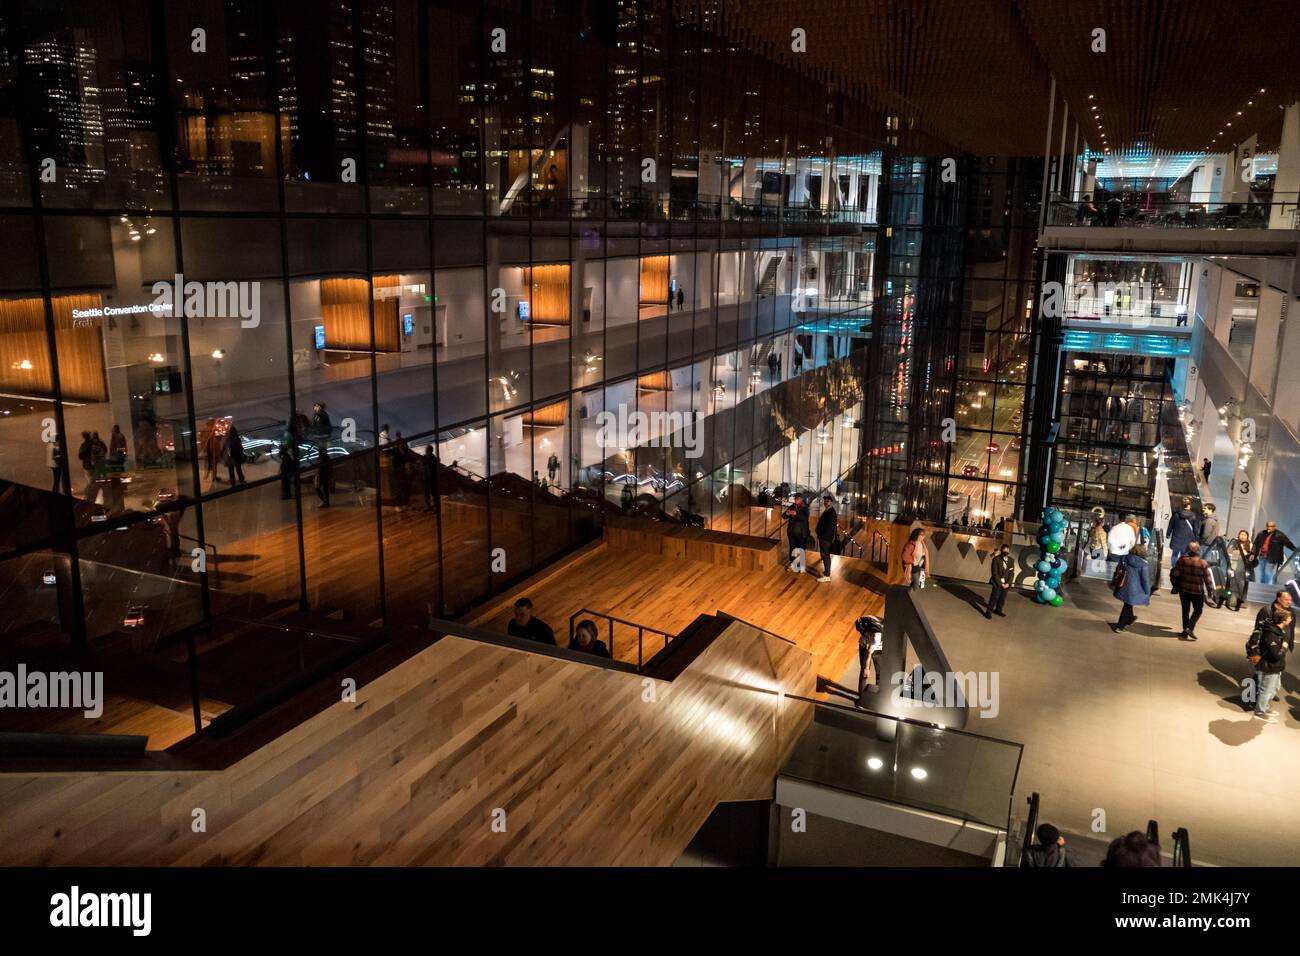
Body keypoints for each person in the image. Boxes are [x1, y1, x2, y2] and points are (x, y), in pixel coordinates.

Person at [1248, 605, 1290, 723]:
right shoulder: (1271, 634)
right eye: (1289, 617)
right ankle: (1260, 712)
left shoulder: (1278, 631)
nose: (1291, 619)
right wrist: (1284, 648)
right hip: (1269, 666)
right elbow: (1275, 655)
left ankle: (1264, 707)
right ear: (1284, 620)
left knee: (1273, 688)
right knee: (1266, 690)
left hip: (1275, 667)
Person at [1170, 541, 1214, 641]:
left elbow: (1176, 574)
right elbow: (1207, 578)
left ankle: (1185, 632)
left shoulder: (1182, 560)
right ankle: (1189, 628)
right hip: (1197, 591)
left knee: (1185, 610)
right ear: (1198, 551)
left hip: (1184, 590)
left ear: (1188, 550)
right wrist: (1210, 590)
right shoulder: (1203, 563)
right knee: (1198, 610)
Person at [1110, 542, 1151, 632]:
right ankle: (1119, 626)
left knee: (1128, 604)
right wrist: (1148, 593)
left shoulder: (1124, 558)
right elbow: (1145, 580)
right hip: (1135, 590)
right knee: (1127, 606)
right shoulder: (1143, 564)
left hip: (1123, 585)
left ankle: (1131, 618)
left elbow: (1118, 570)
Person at [1252, 520, 1297, 586]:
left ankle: (1266, 587)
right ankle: (1262, 585)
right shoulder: (1261, 533)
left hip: (1273, 558)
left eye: (1271, 526)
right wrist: (1253, 554)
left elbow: (1288, 543)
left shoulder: (1280, 535)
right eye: (1268, 526)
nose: (1269, 527)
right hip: (1262, 556)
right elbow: (1255, 544)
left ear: (1274, 527)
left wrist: (1294, 549)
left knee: (1268, 572)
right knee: (1262, 573)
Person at [1166, 497, 1200, 576]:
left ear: (1183, 505)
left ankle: (1174, 568)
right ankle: (1182, 570)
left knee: (1174, 554)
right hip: (1187, 539)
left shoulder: (1176, 514)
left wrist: (1168, 534)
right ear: (1189, 505)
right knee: (1184, 555)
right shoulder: (1193, 516)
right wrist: (1195, 538)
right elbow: (1195, 529)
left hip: (1176, 538)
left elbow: (1171, 525)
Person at [1227, 529, 1255, 612]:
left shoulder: (1250, 545)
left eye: (1245, 535)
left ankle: (1241, 602)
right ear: (1238, 535)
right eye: (1241, 534)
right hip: (1234, 566)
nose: (1243, 536)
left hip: (1244, 568)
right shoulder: (1234, 542)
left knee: (1242, 585)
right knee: (1233, 584)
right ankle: (1231, 601)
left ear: (1247, 536)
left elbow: (1252, 557)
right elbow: (1228, 551)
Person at [855, 615, 883, 696]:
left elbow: (869, 652)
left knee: (879, 672)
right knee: (864, 672)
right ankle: (861, 696)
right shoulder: (867, 619)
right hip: (864, 646)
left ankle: (878, 696)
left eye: (866, 633)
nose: (864, 635)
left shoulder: (876, 637)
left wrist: (867, 668)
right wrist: (866, 668)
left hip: (876, 649)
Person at [985, 543, 1014, 619]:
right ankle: (988, 612)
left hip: (1007, 583)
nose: (1006, 551)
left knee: (1002, 598)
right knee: (994, 597)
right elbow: (994, 573)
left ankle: (998, 610)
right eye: (1004, 550)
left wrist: (1008, 583)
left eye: (1007, 550)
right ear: (1001, 550)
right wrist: (1001, 583)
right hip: (997, 583)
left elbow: (1012, 573)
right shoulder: (996, 559)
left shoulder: (1011, 560)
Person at [783, 493, 811, 572]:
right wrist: (787, 513)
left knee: (801, 550)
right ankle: (792, 564)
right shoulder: (792, 506)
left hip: (801, 533)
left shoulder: (805, 508)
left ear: (801, 499)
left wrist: (796, 514)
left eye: (797, 499)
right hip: (792, 532)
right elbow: (783, 516)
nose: (795, 500)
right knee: (792, 549)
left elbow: (805, 518)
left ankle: (801, 566)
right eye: (795, 499)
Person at [814, 494, 837, 582]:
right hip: (824, 537)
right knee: (824, 555)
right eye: (825, 501)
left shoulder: (831, 513)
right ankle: (826, 572)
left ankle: (827, 576)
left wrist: (822, 536)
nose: (825, 502)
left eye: (827, 501)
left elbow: (830, 528)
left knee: (825, 555)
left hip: (825, 538)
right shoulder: (828, 511)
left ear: (831, 502)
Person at [422, 445, 438, 510]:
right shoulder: (425, 457)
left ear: (429, 451)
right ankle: (428, 506)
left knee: (433, 493)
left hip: (432, 478)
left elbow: (432, 468)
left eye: (426, 449)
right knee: (427, 492)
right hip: (426, 478)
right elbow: (423, 465)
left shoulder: (433, 458)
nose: (425, 451)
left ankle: (435, 506)